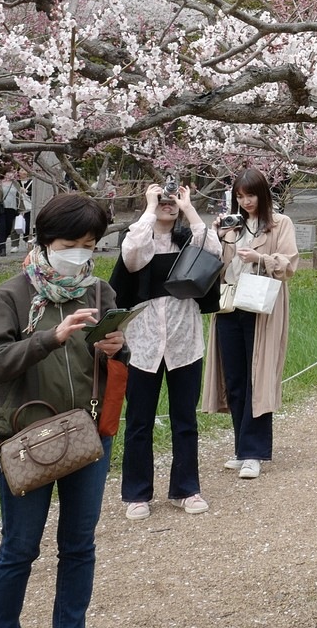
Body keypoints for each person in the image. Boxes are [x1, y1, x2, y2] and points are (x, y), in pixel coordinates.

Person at [0, 191, 125, 628]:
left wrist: (118, 348)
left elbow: (115, 361)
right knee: (20, 547)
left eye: (89, 245)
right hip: (28, 439)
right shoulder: (12, 295)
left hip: (88, 432)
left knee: (79, 545)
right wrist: (50, 338)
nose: (78, 255)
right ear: (43, 243)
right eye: (67, 246)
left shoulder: (100, 290)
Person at [111, 182, 218, 520]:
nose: (167, 205)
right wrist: (148, 208)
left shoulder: (188, 238)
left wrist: (190, 210)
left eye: (172, 201)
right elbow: (131, 255)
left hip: (184, 340)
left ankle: (186, 489)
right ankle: (137, 494)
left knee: (184, 419)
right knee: (139, 421)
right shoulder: (141, 239)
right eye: (163, 200)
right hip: (143, 342)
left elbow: (213, 253)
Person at [206, 168, 296, 479]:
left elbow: (288, 265)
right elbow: (212, 262)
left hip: (262, 306)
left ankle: (254, 452)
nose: (245, 202)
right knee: (234, 377)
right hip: (229, 304)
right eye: (240, 196)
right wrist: (217, 235)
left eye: (251, 195)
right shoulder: (231, 226)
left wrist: (259, 259)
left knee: (257, 376)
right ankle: (241, 448)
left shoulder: (279, 223)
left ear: (263, 194)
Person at [0, 176, 19, 257]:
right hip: (0, 208)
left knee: (8, 228)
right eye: (9, 173)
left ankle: (1, 244)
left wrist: (21, 209)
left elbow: (20, 196)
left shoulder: (15, 183)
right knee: (1, 228)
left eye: (12, 173)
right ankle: (2, 249)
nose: (11, 175)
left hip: (12, 208)